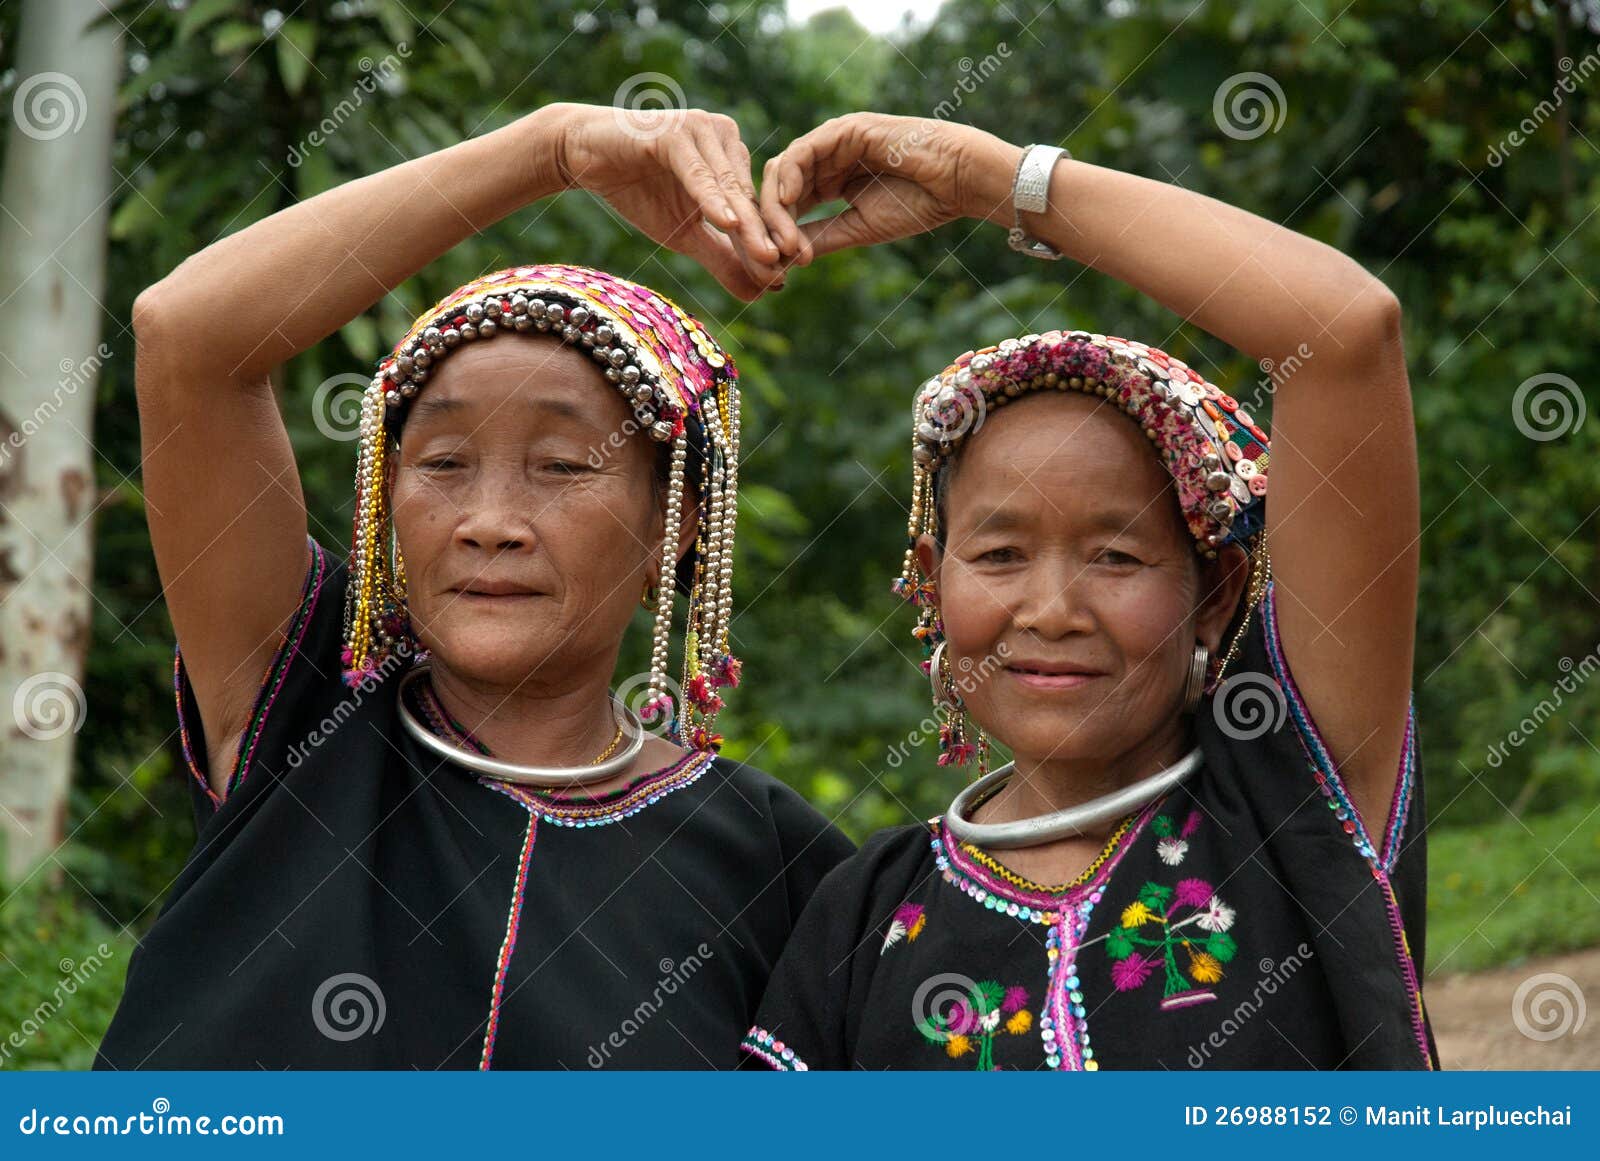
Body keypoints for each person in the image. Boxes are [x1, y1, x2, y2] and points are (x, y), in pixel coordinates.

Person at [96, 103, 853, 1069]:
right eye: (445, 463)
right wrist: (555, 147)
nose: (489, 521)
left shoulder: (777, 863)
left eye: (563, 467)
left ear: (676, 523)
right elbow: (185, 333)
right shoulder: (302, 707)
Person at [739, 114, 1436, 1069]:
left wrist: (992, 181)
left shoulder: (1296, 797)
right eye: (998, 554)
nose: (1052, 610)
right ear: (933, 583)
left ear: (1216, 592)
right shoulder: (862, 913)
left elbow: (1344, 330)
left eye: (1115, 556)